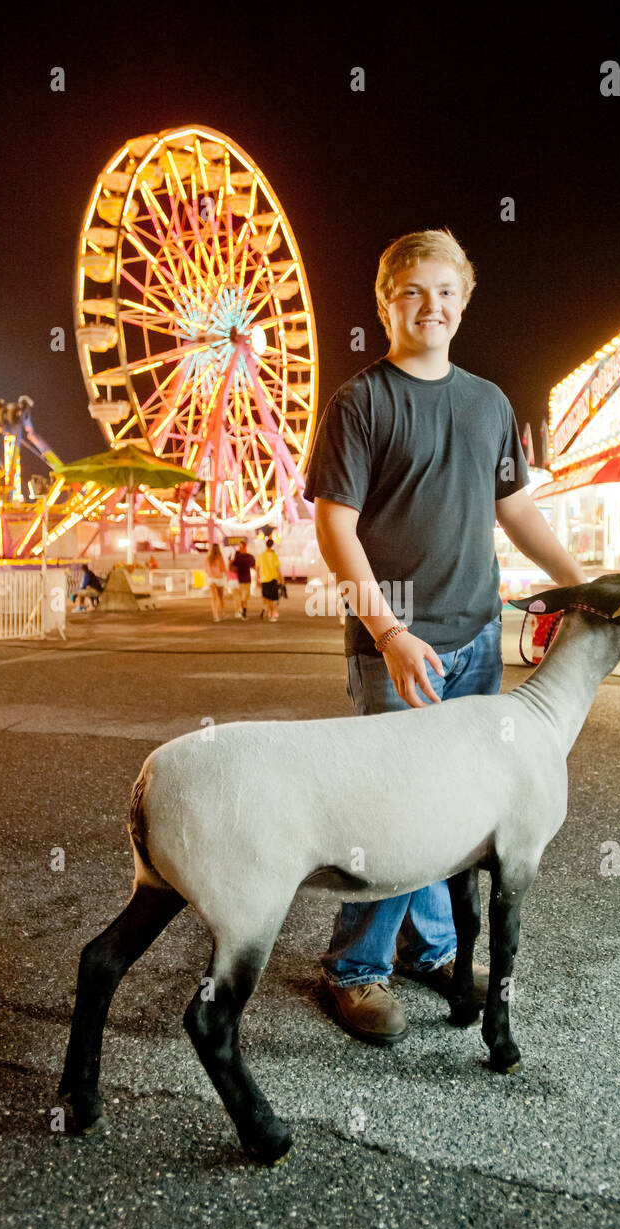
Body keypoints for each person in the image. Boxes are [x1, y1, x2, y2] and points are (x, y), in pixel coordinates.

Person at [303, 228, 588, 1046]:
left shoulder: (489, 402)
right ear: (385, 302)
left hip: (475, 637)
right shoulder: (361, 401)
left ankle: (430, 949)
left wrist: (577, 586)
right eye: (411, 292)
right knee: (392, 812)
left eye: (445, 293)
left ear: (463, 303)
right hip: (398, 644)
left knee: (455, 810)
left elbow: (515, 510)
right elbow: (335, 528)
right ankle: (353, 971)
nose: (429, 307)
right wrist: (387, 630)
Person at [257, 537, 284, 621]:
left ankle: (268, 611)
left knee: (267, 598)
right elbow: (278, 569)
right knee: (272, 599)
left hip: (264, 579)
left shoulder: (261, 555)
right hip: (273, 579)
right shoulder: (274, 555)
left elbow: (257, 567)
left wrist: (258, 579)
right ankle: (271, 615)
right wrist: (281, 579)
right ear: (272, 545)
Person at [229, 541, 256, 618]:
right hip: (243, 580)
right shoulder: (247, 557)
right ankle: (243, 612)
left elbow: (231, 567)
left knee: (243, 597)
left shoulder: (241, 557)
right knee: (244, 597)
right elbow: (254, 566)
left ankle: (242, 610)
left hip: (242, 580)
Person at [205, 543, 228, 621]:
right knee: (221, 597)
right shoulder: (220, 558)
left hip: (211, 579)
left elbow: (206, 570)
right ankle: (223, 612)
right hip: (219, 579)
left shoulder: (208, 558)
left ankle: (215, 615)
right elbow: (223, 569)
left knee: (214, 598)